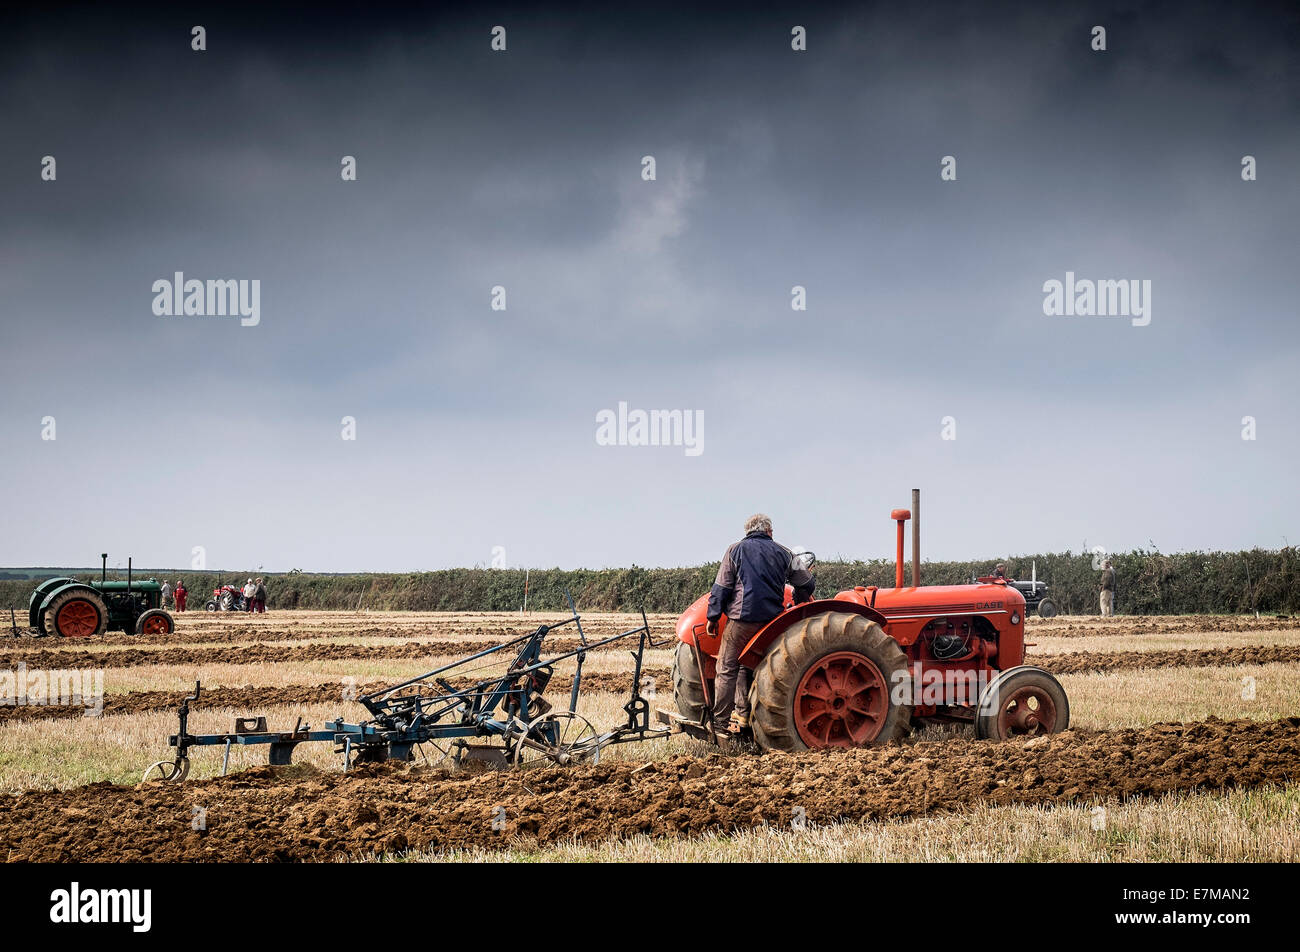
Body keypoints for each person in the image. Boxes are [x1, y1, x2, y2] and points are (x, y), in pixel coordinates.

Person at [706, 513, 816, 735]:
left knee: (727, 668)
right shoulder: (784, 552)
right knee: (754, 665)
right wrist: (801, 599)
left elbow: (722, 587)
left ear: (747, 531)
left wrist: (713, 616)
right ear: (769, 531)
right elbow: (807, 581)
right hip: (772, 622)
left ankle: (720, 723)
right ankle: (749, 715)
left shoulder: (734, 550)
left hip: (742, 620)